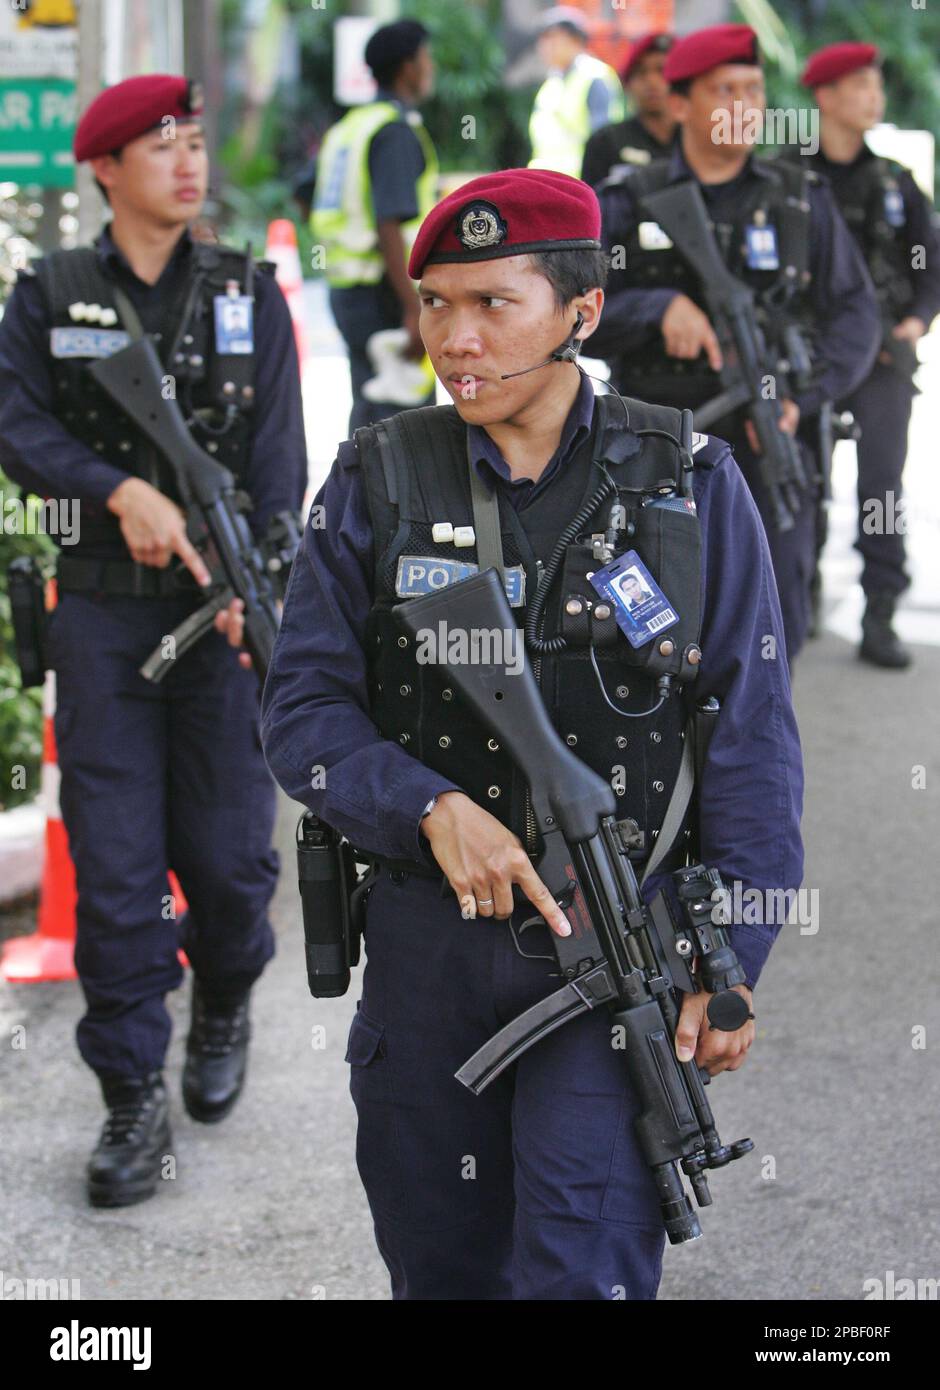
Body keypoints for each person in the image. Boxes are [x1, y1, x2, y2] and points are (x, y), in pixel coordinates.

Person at [261, 167, 804, 1300]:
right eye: (434, 304)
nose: (453, 338)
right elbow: (302, 713)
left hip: (617, 952)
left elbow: (749, 740)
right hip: (429, 953)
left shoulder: (691, 484)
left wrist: (729, 964)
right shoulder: (375, 476)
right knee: (442, 1268)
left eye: (491, 305)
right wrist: (426, 807)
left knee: (579, 1271)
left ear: (581, 313)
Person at [0, 75, 307, 1207]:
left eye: (192, 140)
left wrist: (256, 587)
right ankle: (132, 1096)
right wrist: (113, 486)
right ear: (105, 169)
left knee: (228, 861)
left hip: (216, 613)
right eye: (158, 144)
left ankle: (222, 992)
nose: (187, 160)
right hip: (99, 618)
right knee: (120, 871)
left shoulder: (248, 293)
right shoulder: (51, 293)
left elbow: (280, 462)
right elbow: (14, 419)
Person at [588, 23, 880, 664]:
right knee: (648, 627)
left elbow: (856, 313)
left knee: (774, 630)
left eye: (755, 90)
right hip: (652, 449)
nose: (746, 107)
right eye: (726, 91)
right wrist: (654, 308)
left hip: (770, 441)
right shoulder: (628, 202)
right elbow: (571, 314)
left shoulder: (799, 200)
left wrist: (805, 398)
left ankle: (755, 761)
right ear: (680, 103)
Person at [797, 43, 940, 668]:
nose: (874, 96)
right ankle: (799, 596)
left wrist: (916, 321)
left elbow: (931, 256)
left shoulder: (894, 181)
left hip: (883, 357)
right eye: (859, 85)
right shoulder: (789, 177)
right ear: (824, 96)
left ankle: (880, 611)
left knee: (881, 485)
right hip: (808, 356)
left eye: (876, 85)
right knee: (802, 480)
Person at [311, 19, 438, 433]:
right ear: (408, 66)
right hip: (385, 291)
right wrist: (412, 306)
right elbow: (389, 222)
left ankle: (360, 496)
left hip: (349, 290)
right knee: (400, 417)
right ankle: (385, 500)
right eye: (426, 57)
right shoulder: (394, 131)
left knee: (370, 406)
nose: (430, 67)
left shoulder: (349, 128)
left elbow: (304, 189)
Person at [528, 7, 624, 178]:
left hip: (579, 186)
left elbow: (601, 140)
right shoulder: (551, 84)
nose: (546, 46)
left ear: (576, 41)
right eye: (544, 39)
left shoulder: (594, 77)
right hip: (546, 183)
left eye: (553, 38)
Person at [581, 32, 677, 186]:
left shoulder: (698, 141)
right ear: (627, 84)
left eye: (662, 70)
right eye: (641, 72)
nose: (652, 82)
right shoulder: (605, 142)